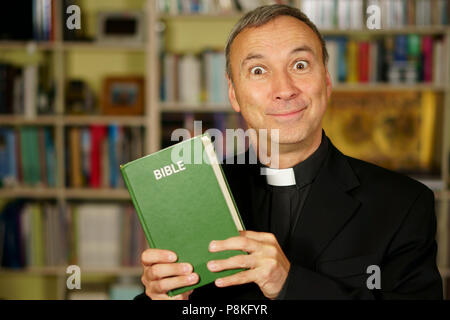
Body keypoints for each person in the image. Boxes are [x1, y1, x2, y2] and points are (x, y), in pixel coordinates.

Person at [136, 4, 443, 300]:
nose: (284, 89)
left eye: (300, 65)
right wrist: (161, 297)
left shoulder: (404, 204)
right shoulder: (194, 193)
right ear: (234, 94)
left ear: (326, 79)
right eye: (258, 70)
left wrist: (289, 285)